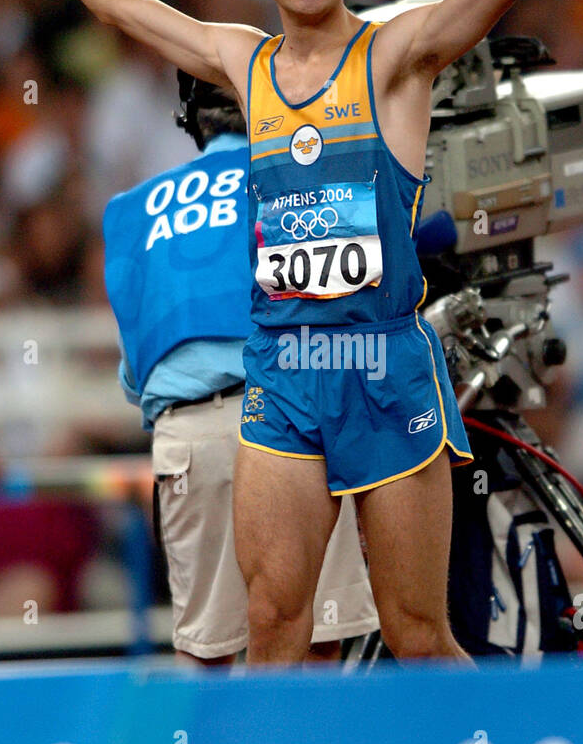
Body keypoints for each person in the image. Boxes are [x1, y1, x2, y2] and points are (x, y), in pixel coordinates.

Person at [0, 0, 559, 665]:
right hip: (284, 371)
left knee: (417, 632)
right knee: (274, 627)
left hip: (383, 365)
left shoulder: (396, 56)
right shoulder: (242, 64)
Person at [103, 72, 378, 667]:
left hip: (189, 437)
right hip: (293, 423)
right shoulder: (312, 177)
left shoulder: (127, 213)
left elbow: (136, 375)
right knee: (313, 644)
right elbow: (354, 315)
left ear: (190, 119)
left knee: (208, 657)